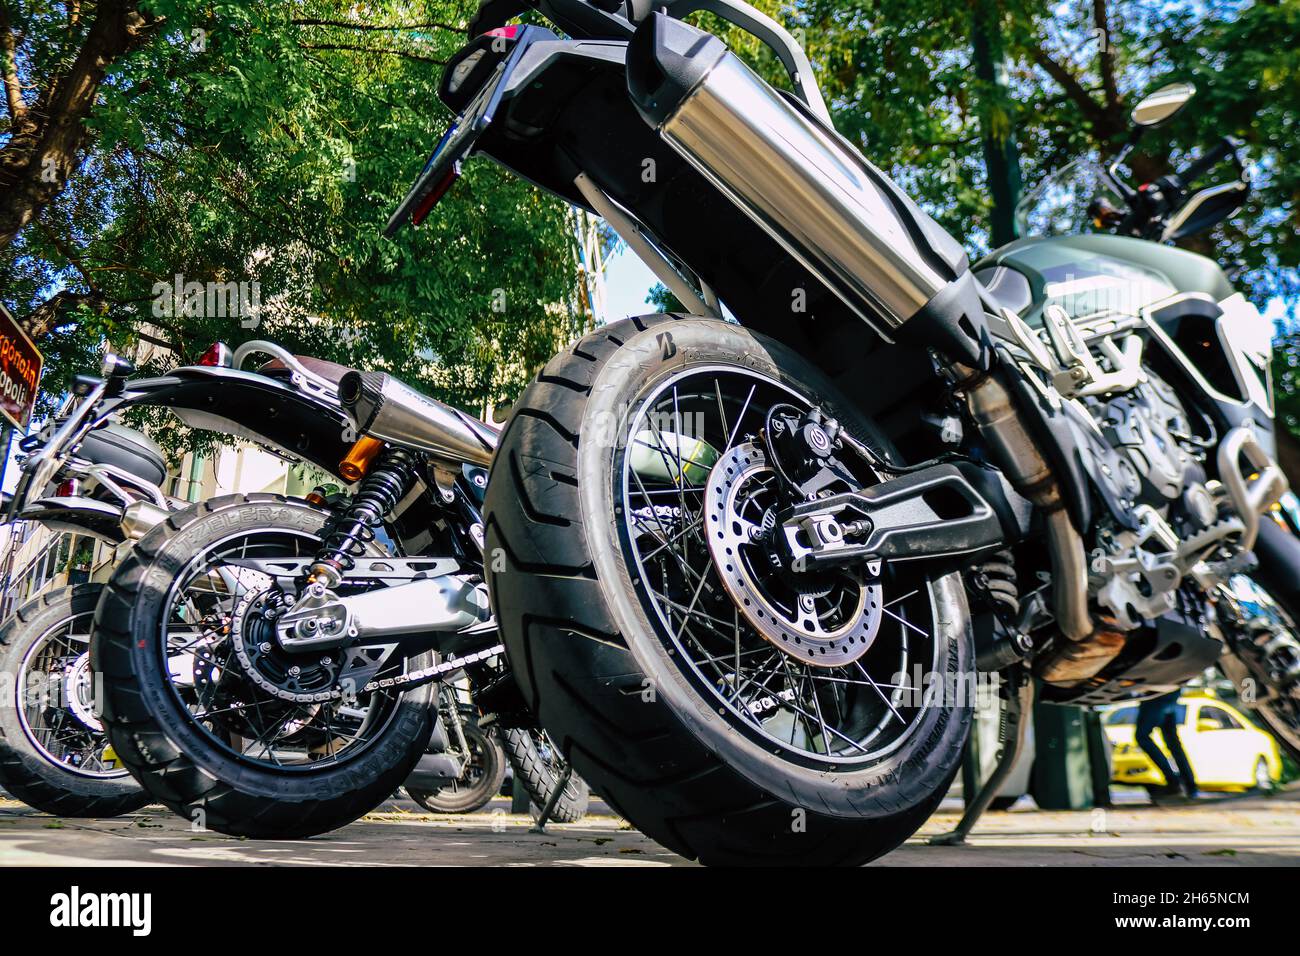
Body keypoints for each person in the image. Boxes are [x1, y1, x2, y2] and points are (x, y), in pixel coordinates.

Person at [1135, 690, 1198, 800]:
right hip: (1171, 691)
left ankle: (1174, 782)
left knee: (1142, 736)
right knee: (1173, 742)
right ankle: (1189, 785)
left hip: (1155, 693)